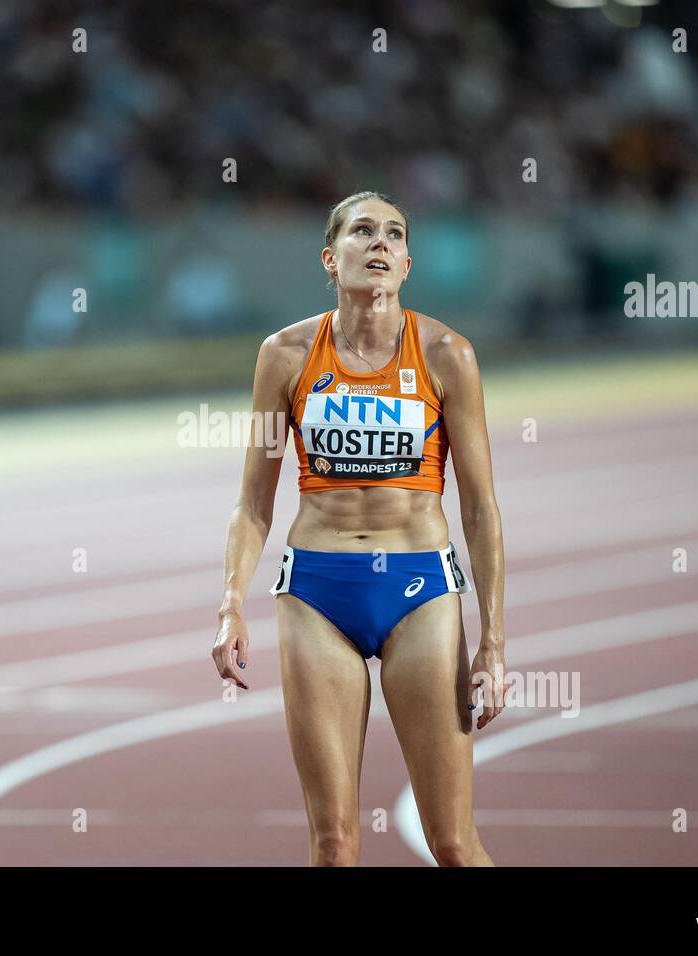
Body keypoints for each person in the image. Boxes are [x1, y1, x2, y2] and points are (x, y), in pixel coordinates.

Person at [212, 191, 506, 866]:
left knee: (454, 843)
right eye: (363, 231)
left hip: (420, 587)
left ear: (407, 264)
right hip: (318, 589)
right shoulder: (284, 356)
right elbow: (253, 504)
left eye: (394, 235)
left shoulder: (447, 355)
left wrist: (493, 640)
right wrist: (230, 605)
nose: (380, 243)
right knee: (335, 843)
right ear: (329, 257)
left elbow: (482, 509)